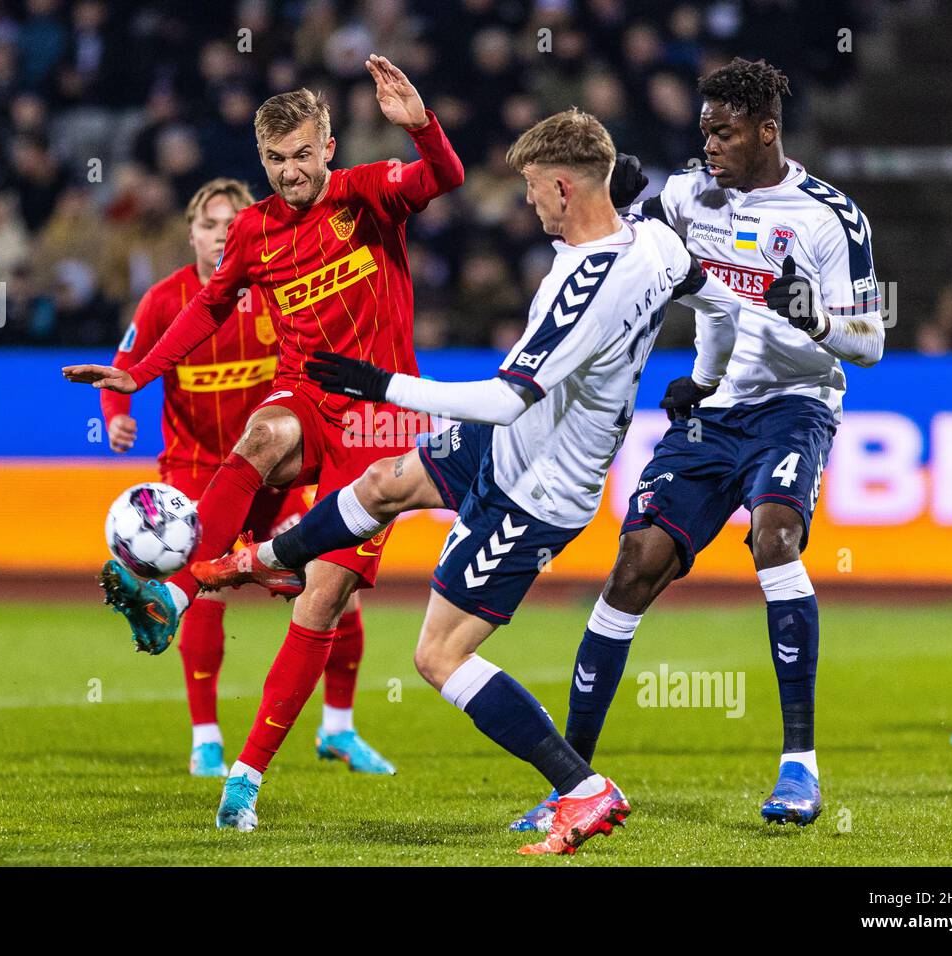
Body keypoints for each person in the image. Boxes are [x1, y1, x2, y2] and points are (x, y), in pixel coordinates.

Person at [194, 108, 743, 852]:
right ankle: (260, 560)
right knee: (387, 480)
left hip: (537, 489)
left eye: (530, 189)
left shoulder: (583, 285)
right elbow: (714, 298)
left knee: (438, 656)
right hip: (506, 446)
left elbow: (504, 396)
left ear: (561, 186)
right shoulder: (653, 242)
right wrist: (701, 378)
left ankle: (583, 790)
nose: (525, 202)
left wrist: (379, 384)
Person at [63, 56, 463, 809]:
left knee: (320, 601)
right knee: (258, 442)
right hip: (308, 394)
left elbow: (443, 177)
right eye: (276, 160)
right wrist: (138, 375)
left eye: (302, 155)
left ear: (328, 148)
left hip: (381, 420)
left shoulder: (368, 193)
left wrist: (420, 123)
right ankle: (175, 598)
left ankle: (245, 777)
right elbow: (209, 307)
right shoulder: (254, 232)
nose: (290, 172)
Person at [513, 58, 885, 833]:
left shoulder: (833, 217)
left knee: (775, 539)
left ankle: (799, 769)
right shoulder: (687, 195)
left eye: (724, 131)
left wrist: (817, 319)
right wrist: (616, 200)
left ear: (767, 130)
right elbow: (650, 257)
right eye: (704, 130)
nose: (709, 144)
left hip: (795, 406)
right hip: (714, 413)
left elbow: (874, 338)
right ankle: (571, 784)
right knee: (631, 566)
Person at [100, 176, 390, 777]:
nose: (217, 236)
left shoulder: (275, 290)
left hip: (275, 472)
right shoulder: (163, 300)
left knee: (333, 589)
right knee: (202, 594)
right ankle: (206, 738)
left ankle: (338, 728)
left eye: (229, 225)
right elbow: (124, 367)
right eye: (208, 225)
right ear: (190, 234)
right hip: (197, 471)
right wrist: (118, 418)